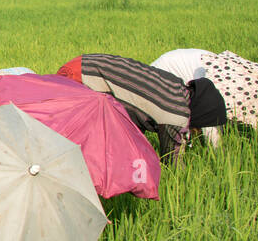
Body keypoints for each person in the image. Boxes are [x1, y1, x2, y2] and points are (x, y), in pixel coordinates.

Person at [56, 53, 226, 159]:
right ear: (202, 115)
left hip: (83, 62)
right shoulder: (176, 116)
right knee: (68, 138)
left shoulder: (176, 85)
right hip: (84, 77)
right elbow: (171, 160)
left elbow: (139, 109)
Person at [150, 48, 221, 147]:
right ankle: (181, 146)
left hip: (173, 67)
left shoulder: (222, 71)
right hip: (165, 73)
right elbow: (207, 120)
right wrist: (216, 150)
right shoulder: (214, 82)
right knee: (178, 117)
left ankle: (185, 143)